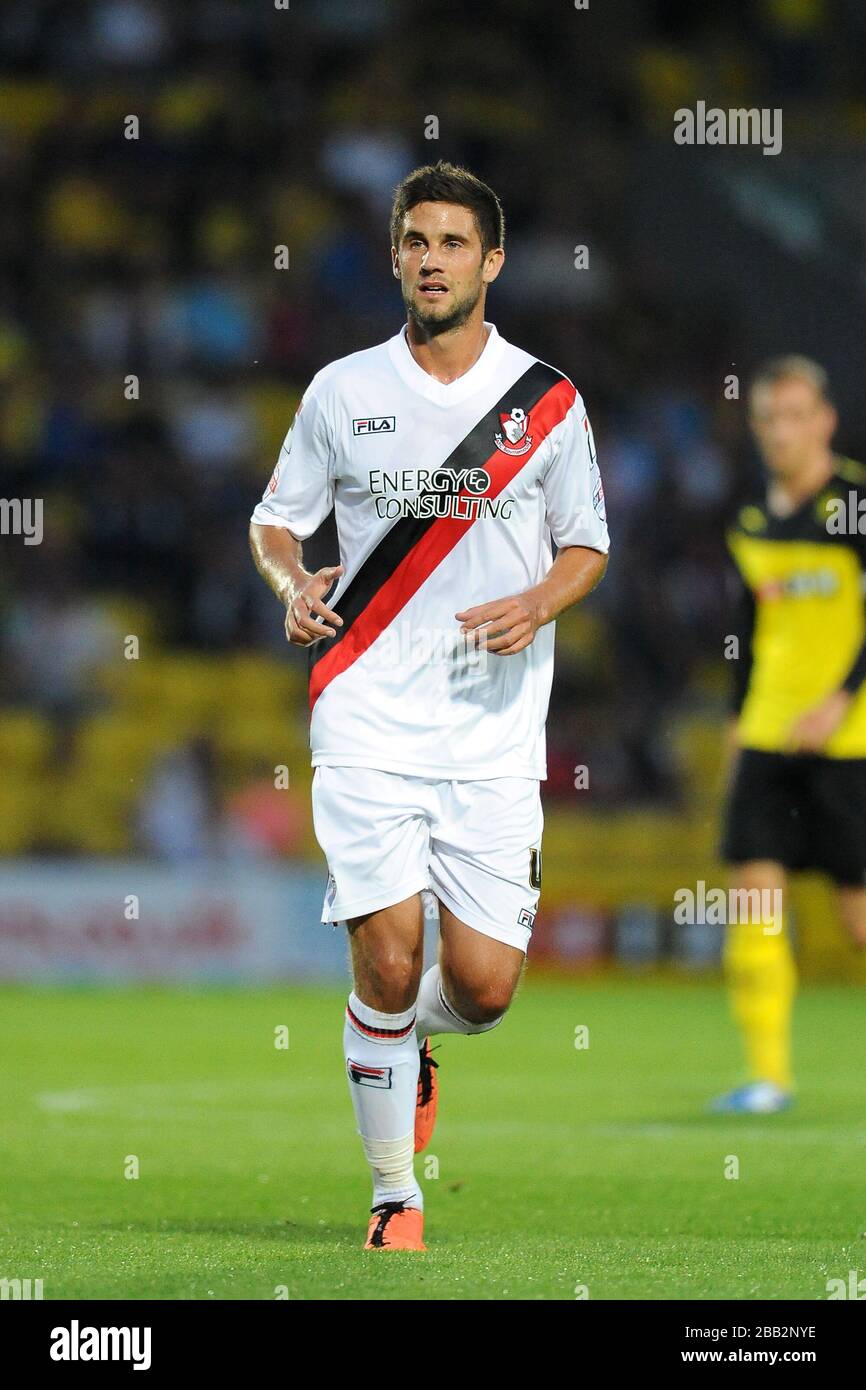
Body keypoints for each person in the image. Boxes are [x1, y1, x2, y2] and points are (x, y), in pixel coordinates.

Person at [250, 161, 609, 1247]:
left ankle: (404, 1043)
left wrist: (539, 600)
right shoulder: (340, 391)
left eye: (454, 243)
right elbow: (275, 523)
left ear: (490, 261)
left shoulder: (544, 401)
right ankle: (393, 1197)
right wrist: (291, 581)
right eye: (415, 241)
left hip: (493, 733)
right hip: (363, 713)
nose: (432, 260)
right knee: (389, 958)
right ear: (395, 254)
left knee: (486, 987)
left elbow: (587, 541)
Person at [715, 356, 866, 1114]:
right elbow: (748, 629)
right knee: (753, 905)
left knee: (858, 922)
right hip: (771, 735)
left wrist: (841, 699)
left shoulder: (856, 507)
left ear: (826, 420)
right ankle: (767, 1076)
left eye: (796, 414)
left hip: (851, 740)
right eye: (769, 418)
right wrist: (740, 720)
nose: (782, 431)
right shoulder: (750, 519)